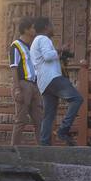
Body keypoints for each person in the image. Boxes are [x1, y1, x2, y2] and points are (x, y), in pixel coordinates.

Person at [29, 17, 82, 146]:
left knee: (49, 115)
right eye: (52, 25)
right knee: (76, 99)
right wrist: (61, 49)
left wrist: (61, 54)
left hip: (44, 83)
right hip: (52, 78)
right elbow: (47, 56)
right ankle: (63, 130)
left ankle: (44, 143)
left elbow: (47, 57)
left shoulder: (36, 42)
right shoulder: (43, 39)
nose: (53, 28)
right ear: (46, 27)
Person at [7, 19, 43, 147]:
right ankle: (14, 148)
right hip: (23, 84)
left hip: (34, 85)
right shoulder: (16, 46)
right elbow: (14, 67)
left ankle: (42, 149)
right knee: (21, 119)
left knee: (39, 119)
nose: (34, 30)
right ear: (26, 30)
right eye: (32, 28)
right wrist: (17, 89)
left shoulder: (31, 47)